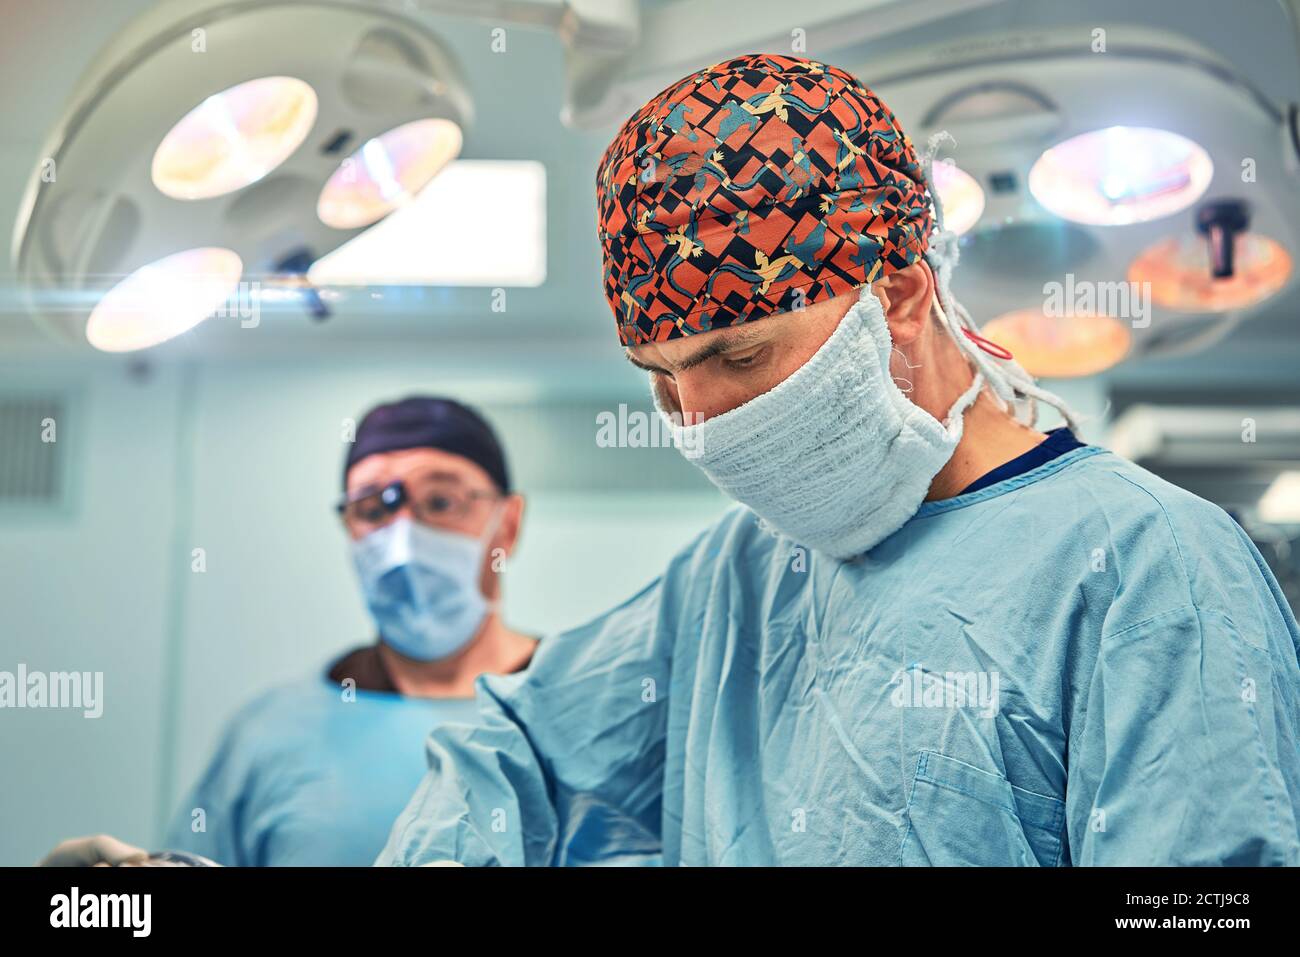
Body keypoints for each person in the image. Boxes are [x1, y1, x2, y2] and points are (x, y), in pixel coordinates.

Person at [376, 54, 1300, 866]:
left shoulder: (1149, 566)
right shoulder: (735, 579)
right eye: (662, 380)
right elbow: (518, 749)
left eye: (741, 356)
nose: (701, 422)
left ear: (897, 296)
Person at [43, 396, 536, 866]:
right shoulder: (271, 732)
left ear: (508, 525)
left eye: (441, 500)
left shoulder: (570, 715)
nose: (403, 540)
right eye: (372, 508)